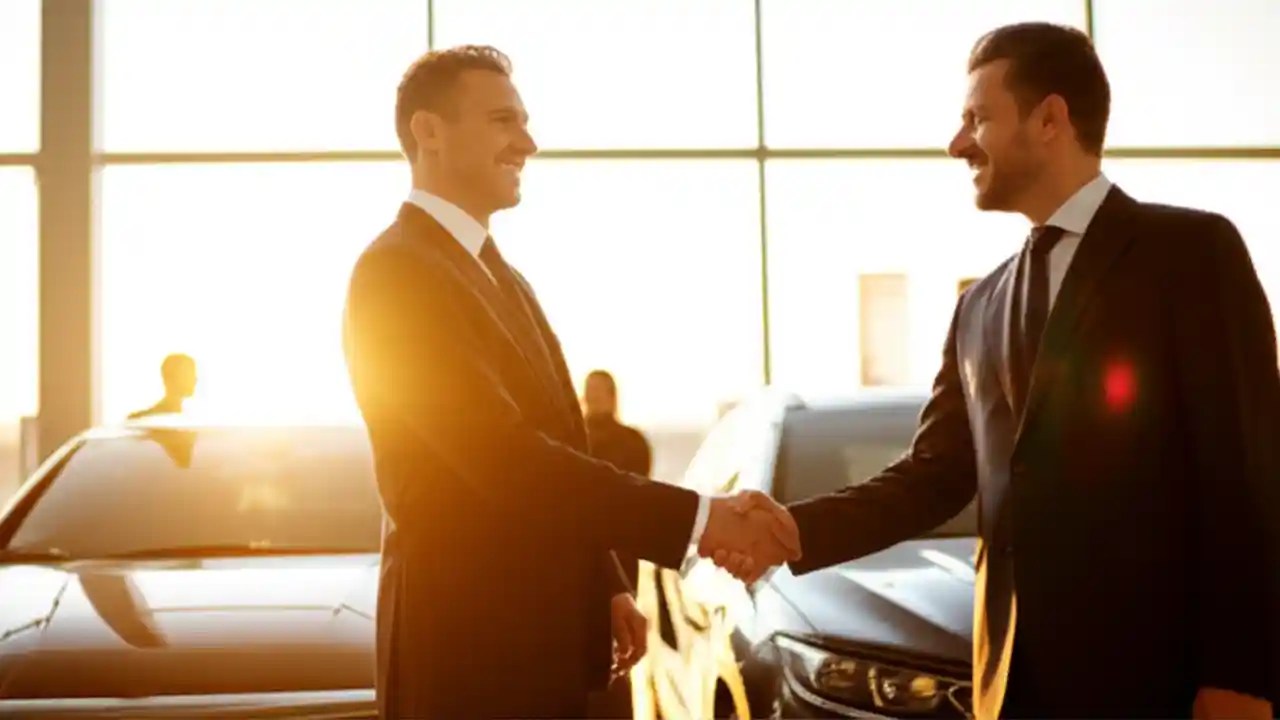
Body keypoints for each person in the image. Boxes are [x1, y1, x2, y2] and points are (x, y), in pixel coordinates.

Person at [714, 22, 1278, 720]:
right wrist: (792, 529)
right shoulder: (979, 307)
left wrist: (1241, 678)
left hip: (1157, 686)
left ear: (1050, 119)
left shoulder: (1191, 252)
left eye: (977, 118)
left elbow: (1247, 477)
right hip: (1010, 690)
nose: (957, 143)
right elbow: (934, 477)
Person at [341, 45, 800, 719]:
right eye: (503, 120)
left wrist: (604, 583)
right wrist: (702, 519)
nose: (526, 143)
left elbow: (558, 441)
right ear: (428, 131)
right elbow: (501, 457)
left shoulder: (499, 274)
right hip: (466, 649)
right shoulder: (397, 273)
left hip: (531, 641)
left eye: (523, 123)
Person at [580, 369, 654, 718]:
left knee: (620, 641)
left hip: (621, 557)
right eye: (589, 390)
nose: (593, 397)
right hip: (580, 557)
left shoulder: (632, 442)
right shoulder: (572, 439)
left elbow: (636, 497)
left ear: (612, 396)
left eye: (600, 390)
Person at [127, 353, 197, 419]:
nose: (195, 380)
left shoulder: (189, 418)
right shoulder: (141, 420)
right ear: (169, 378)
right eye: (189, 375)